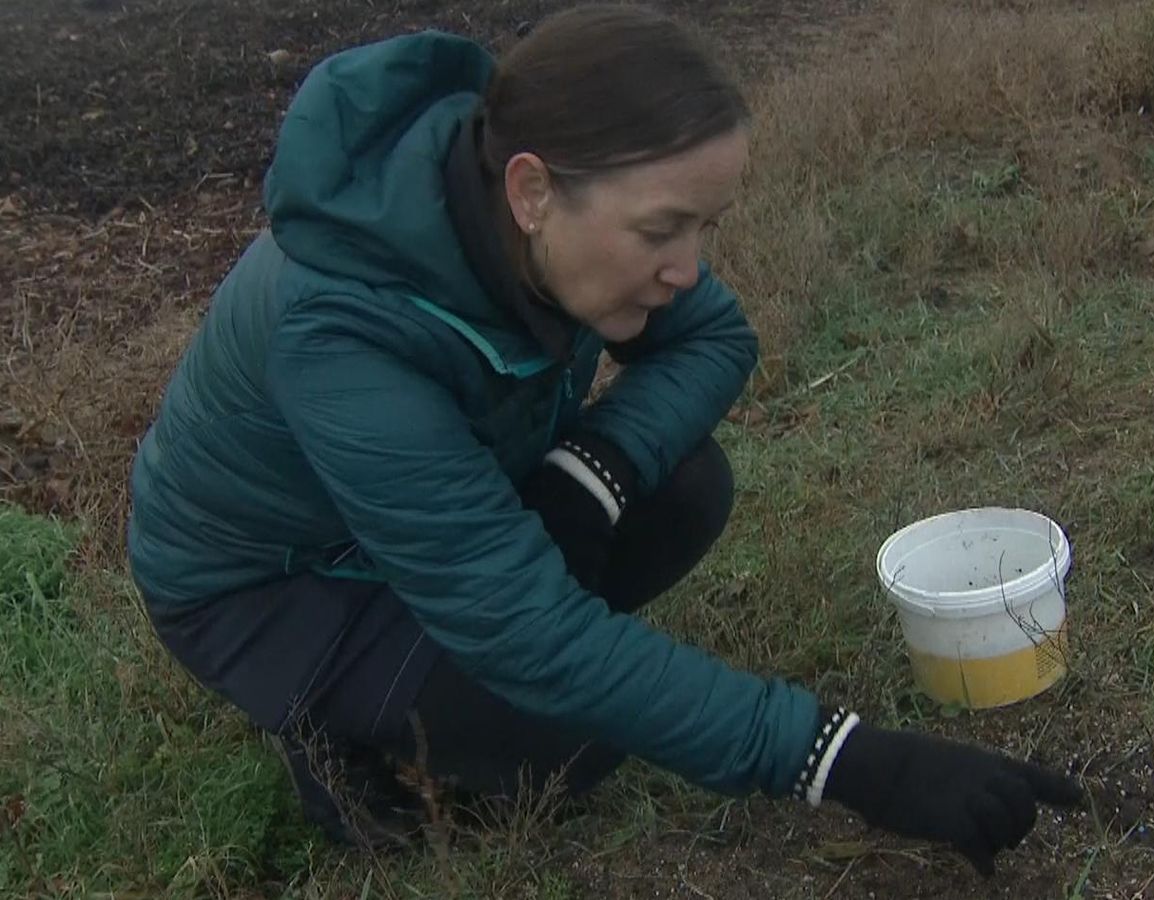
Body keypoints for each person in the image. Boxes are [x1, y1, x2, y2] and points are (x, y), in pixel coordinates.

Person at [128, 4, 1082, 876]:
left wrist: (594, 471)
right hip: (278, 584)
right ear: (533, 190)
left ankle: (436, 678)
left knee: (685, 486)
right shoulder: (341, 329)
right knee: (569, 740)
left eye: (704, 227)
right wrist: (849, 760)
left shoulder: (540, 220)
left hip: (427, 518)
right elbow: (530, 633)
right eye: (663, 230)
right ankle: (336, 729)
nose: (686, 268)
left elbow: (716, 335)